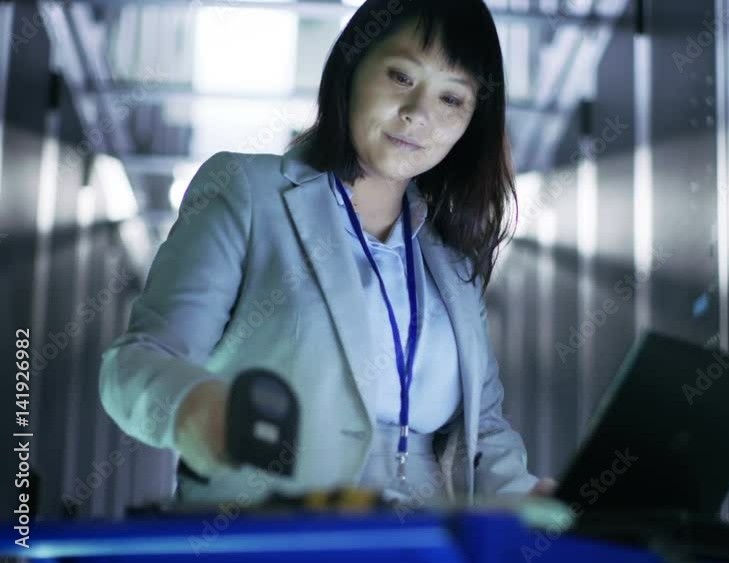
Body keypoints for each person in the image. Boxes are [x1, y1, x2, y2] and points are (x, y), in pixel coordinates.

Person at [99, 0, 557, 508]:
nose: (418, 114)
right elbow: (138, 361)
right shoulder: (249, 192)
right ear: (351, 66)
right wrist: (193, 408)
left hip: (424, 543)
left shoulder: (451, 261)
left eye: (452, 98)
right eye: (402, 76)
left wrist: (534, 496)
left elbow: (484, 429)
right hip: (273, 533)